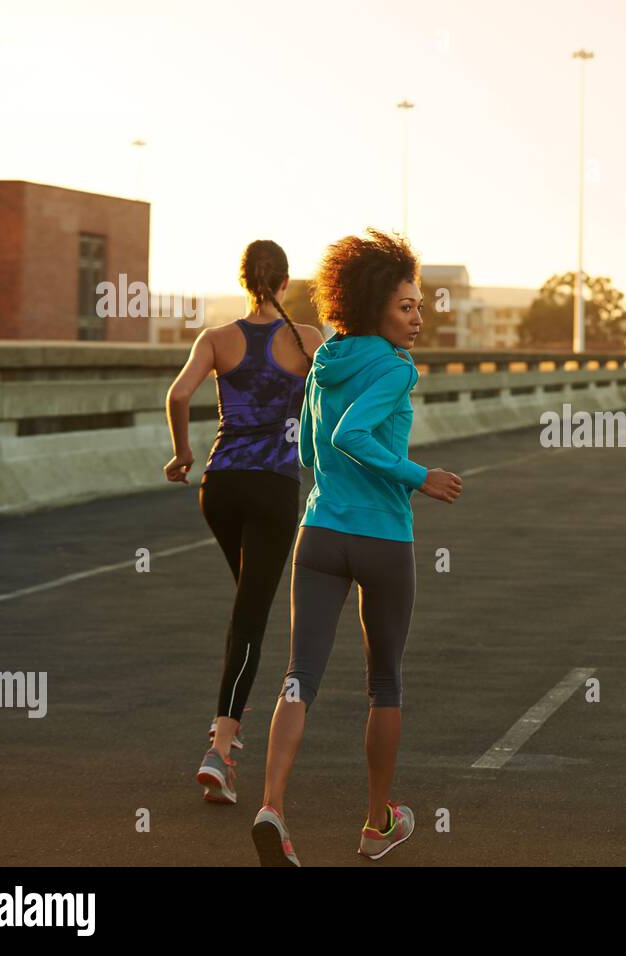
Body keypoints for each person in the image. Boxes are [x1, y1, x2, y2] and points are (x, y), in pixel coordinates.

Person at [251, 229, 463, 867]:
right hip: (383, 538)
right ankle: (377, 822)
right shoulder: (396, 369)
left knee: (299, 676)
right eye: (407, 307)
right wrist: (417, 475)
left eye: (419, 306)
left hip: (319, 534)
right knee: (385, 684)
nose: (418, 319)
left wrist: (337, 491)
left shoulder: (324, 360)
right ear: (376, 307)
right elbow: (351, 435)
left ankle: (272, 808)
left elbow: (311, 453)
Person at [164, 240, 325, 805]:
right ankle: (221, 748)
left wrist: (183, 455)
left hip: (220, 487)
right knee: (252, 615)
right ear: (285, 284)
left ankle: (224, 739)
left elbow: (179, 395)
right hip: (274, 488)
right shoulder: (309, 339)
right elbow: (332, 401)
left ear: (243, 282)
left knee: (247, 606)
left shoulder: (216, 339)